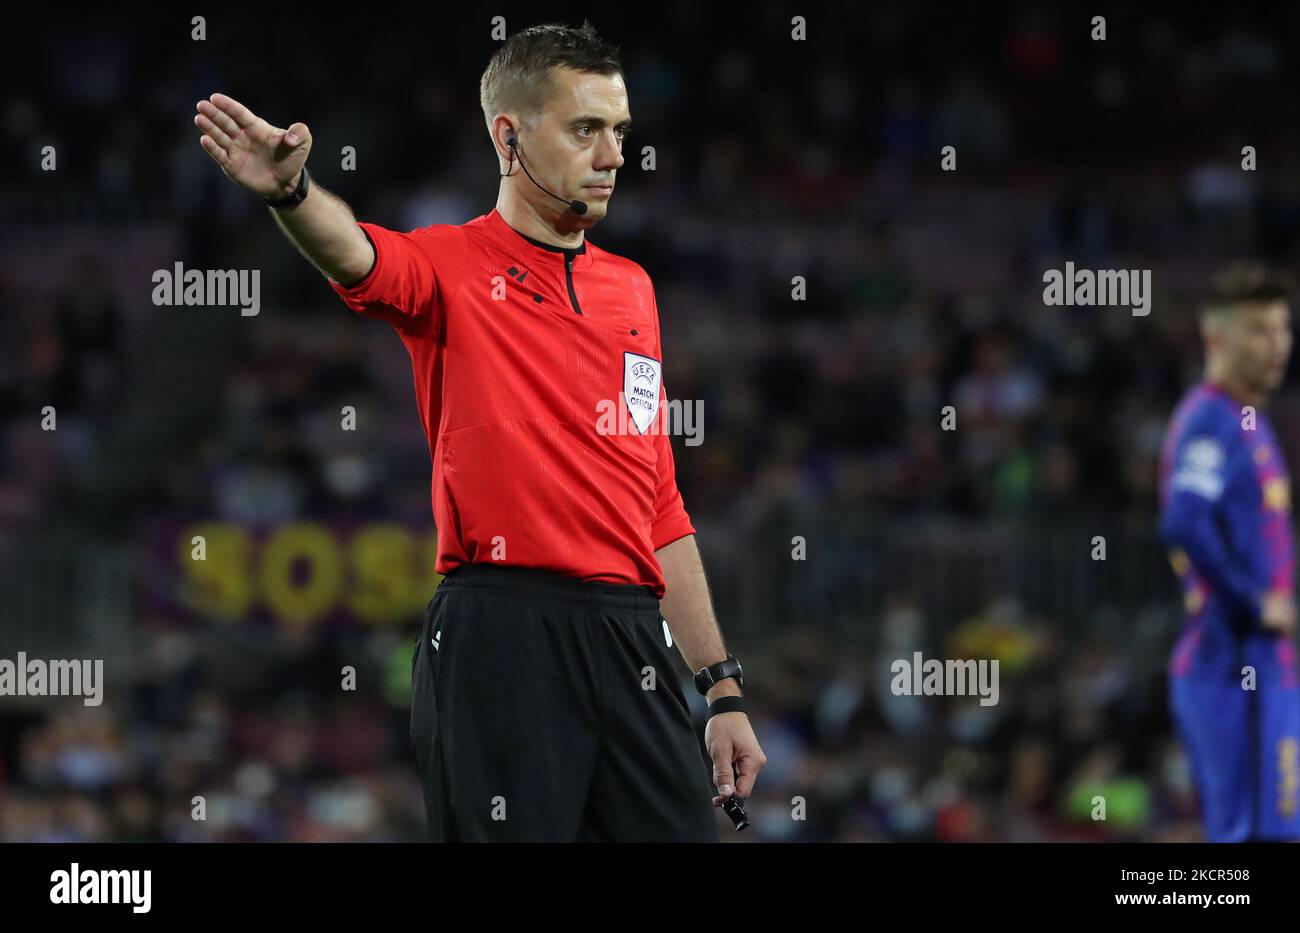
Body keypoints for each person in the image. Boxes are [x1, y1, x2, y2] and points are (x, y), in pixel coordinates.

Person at [193, 20, 764, 841]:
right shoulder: (450, 266)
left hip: (634, 637)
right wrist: (291, 192)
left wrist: (722, 689)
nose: (613, 156)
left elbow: (660, 505)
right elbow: (356, 253)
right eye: (585, 129)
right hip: (502, 629)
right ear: (509, 135)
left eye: (619, 132)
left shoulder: (633, 289)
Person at [1159, 262, 1298, 842]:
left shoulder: (1249, 420)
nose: (1277, 346)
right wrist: (1252, 602)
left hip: (1268, 663)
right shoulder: (1211, 420)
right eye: (1259, 330)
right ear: (1215, 336)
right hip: (1231, 661)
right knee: (1248, 842)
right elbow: (1184, 520)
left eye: (1283, 329)